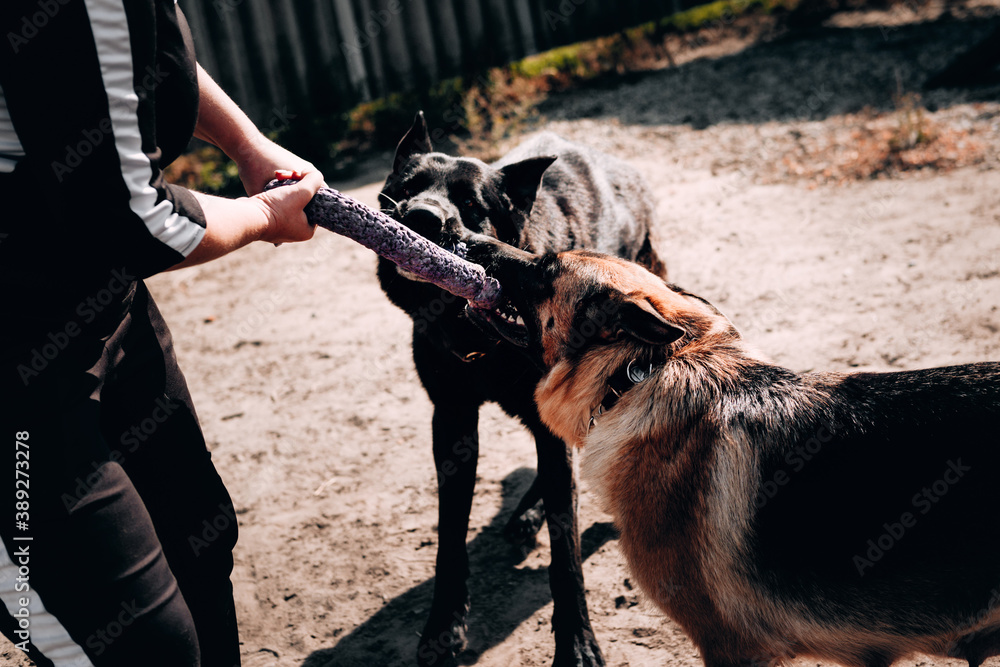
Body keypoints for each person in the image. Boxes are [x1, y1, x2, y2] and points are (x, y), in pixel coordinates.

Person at [0, 1, 323, 665]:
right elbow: (133, 222)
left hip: (96, 292)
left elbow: (133, 43)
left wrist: (246, 144)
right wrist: (264, 216)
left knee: (199, 540)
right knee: (141, 646)